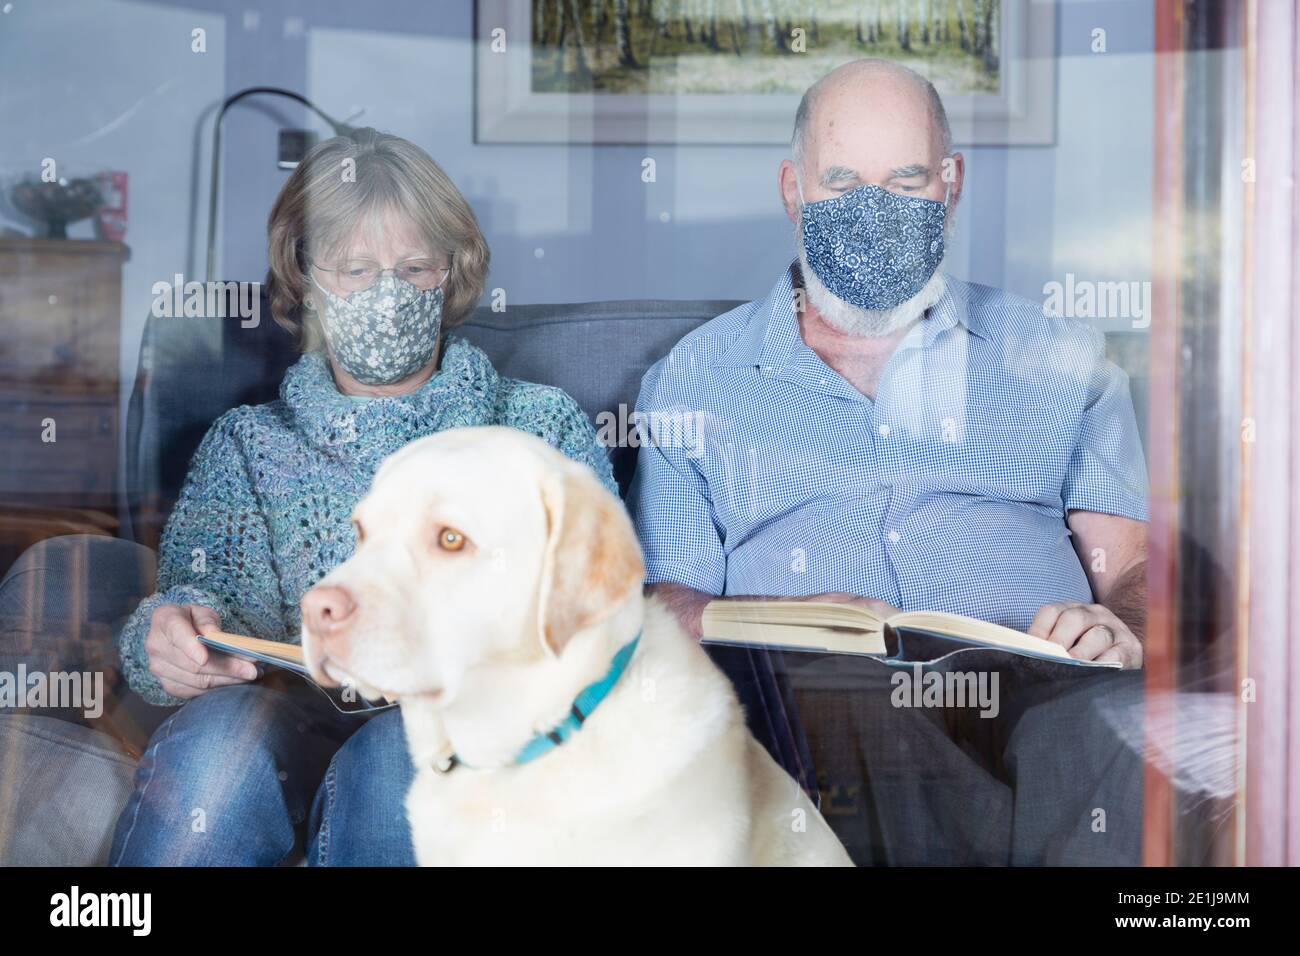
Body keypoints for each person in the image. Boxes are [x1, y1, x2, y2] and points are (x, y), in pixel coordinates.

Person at [627, 59, 1149, 865]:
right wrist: (796, 623)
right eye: (841, 183)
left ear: (952, 183)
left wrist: (1124, 627)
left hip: (1043, 686)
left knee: (1119, 722)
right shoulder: (692, 381)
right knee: (852, 706)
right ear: (792, 191)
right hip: (827, 697)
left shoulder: (1059, 357)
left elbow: (1134, 571)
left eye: (904, 181)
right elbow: (667, 606)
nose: (872, 213)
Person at [104, 129, 615, 865]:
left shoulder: (537, 426)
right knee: (216, 754)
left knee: (398, 762)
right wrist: (169, 640)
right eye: (355, 269)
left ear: (452, 273)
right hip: (281, 726)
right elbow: (191, 601)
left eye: (413, 267)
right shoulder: (246, 444)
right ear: (306, 279)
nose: (387, 293)